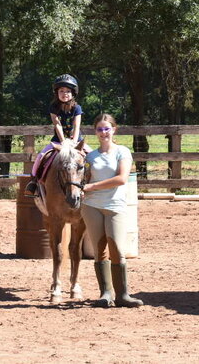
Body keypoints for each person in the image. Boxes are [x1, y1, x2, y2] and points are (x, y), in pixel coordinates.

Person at [81, 113, 143, 307]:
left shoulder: (122, 152)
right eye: (99, 129)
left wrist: (91, 187)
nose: (103, 132)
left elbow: (122, 179)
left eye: (107, 128)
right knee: (99, 248)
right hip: (91, 205)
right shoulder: (91, 156)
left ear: (114, 130)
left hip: (115, 205)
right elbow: (84, 179)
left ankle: (123, 294)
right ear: (95, 132)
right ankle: (105, 293)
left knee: (116, 247)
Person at [25, 74, 83, 196]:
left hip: (76, 141)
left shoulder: (77, 108)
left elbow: (76, 125)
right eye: (61, 91)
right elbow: (58, 125)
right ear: (56, 93)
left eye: (68, 91)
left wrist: (74, 141)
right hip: (58, 140)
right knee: (41, 156)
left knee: (92, 155)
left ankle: (96, 181)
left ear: (73, 93)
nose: (65, 93)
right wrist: (63, 142)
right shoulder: (54, 107)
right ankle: (34, 180)